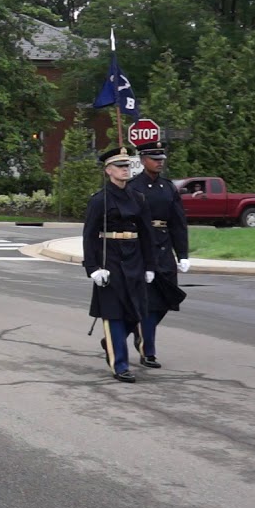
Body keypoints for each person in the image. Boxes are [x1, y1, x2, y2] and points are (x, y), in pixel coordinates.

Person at [83, 146, 157, 383]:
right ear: (108, 171)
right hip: (110, 259)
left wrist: (150, 266)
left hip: (134, 257)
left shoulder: (138, 198)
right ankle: (120, 365)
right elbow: (89, 236)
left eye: (127, 166)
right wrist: (93, 268)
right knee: (113, 313)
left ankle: (111, 343)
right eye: (120, 167)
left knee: (135, 312)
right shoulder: (100, 200)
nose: (125, 170)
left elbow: (147, 234)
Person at [126, 138, 189, 368]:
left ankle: (129, 330)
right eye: (154, 159)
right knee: (148, 302)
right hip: (142, 247)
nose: (159, 163)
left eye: (161, 159)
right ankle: (147, 350)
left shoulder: (168, 187)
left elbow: (178, 222)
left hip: (163, 247)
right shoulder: (133, 187)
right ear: (143, 161)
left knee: (166, 299)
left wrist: (182, 254)